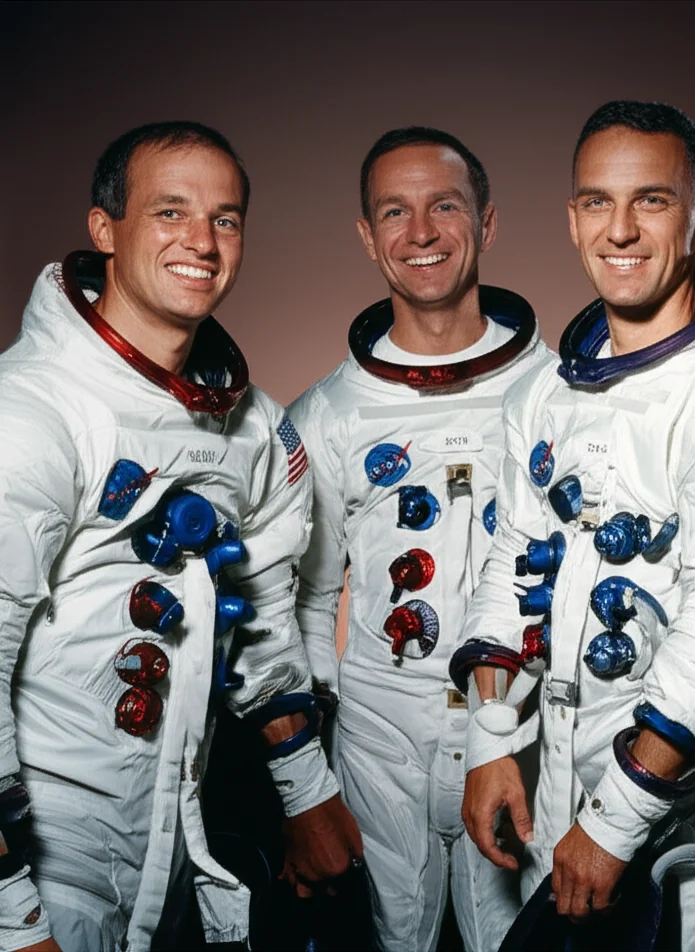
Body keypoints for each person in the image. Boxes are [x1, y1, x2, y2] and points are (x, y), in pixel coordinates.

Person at [453, 100, 695, 950]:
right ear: (571, 218)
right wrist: (488, 737)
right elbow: (514, 559)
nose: (620, 229)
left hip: (686, 812)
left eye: (652, 201)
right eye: (597, 201)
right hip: (558, 781)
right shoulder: (545, 394)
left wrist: (620, 819)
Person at [0, 121, 361, 952]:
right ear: (105, 229)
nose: (201, 240)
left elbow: (262, 620)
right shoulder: (37, 411)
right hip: (48, 850)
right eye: (170, 212)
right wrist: (13, 914)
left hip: (176, 833)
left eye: (225, 219)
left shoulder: (257, 431)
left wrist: (306, 791)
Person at [289, 126, 550, 952]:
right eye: (394, 213)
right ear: (368, 238)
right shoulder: (327, 414)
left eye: (445, 206)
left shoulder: (558, 392)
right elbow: (307, 597)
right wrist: (311, 778)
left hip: (518, 726)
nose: (422, 233)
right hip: (377, 738)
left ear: (488, 222)